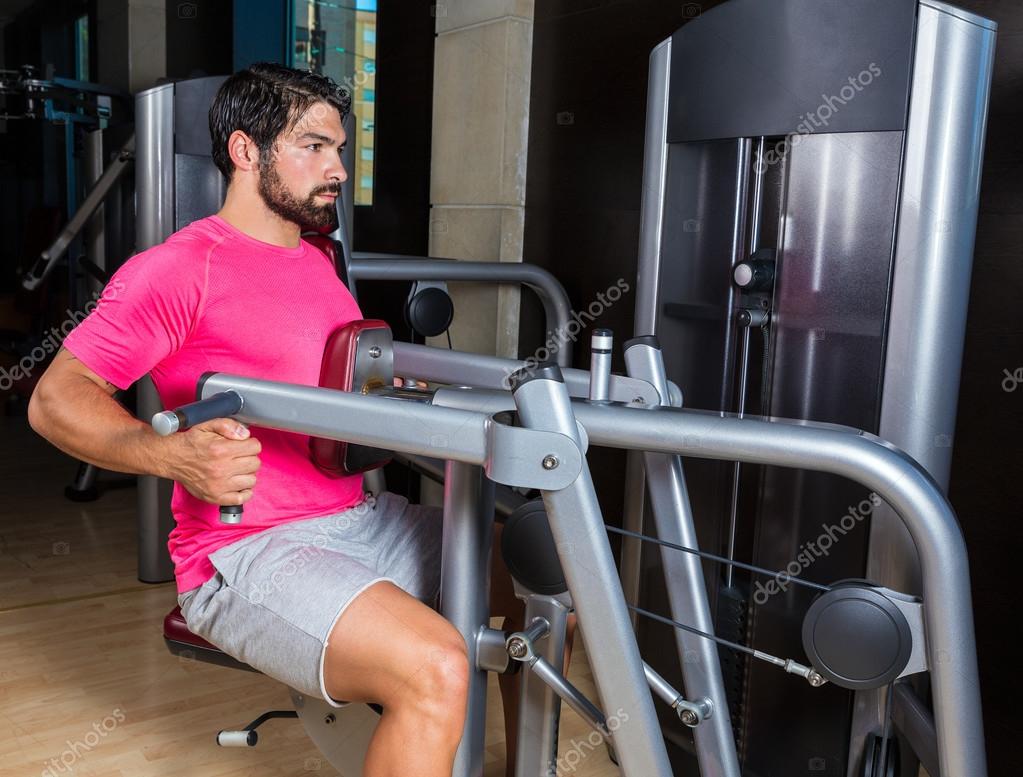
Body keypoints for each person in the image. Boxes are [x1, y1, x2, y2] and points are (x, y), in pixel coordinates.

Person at [28, 63, 537, 777]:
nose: (336, 169)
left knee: (539, 578)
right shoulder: (178, 269)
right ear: (245, 151)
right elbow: (54, 397)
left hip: (359, 520)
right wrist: (167, 454)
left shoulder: (317, 261)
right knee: (436, 666)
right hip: (246, 551)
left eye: (339, 148)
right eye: (313, 147)